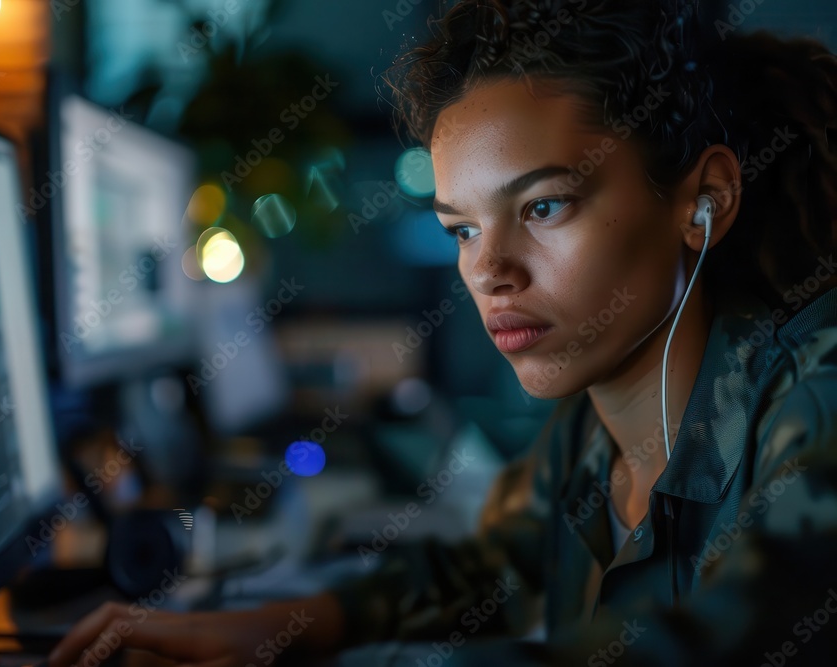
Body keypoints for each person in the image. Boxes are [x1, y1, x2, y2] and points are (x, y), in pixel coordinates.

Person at [48, 0, 837, 665]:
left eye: (544, 206)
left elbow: (724, 641)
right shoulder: (590, 430)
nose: (489, 271)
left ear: (704, 200)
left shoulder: (815, 399)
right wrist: (275, 628)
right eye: (462, 229)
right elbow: (492, 568)